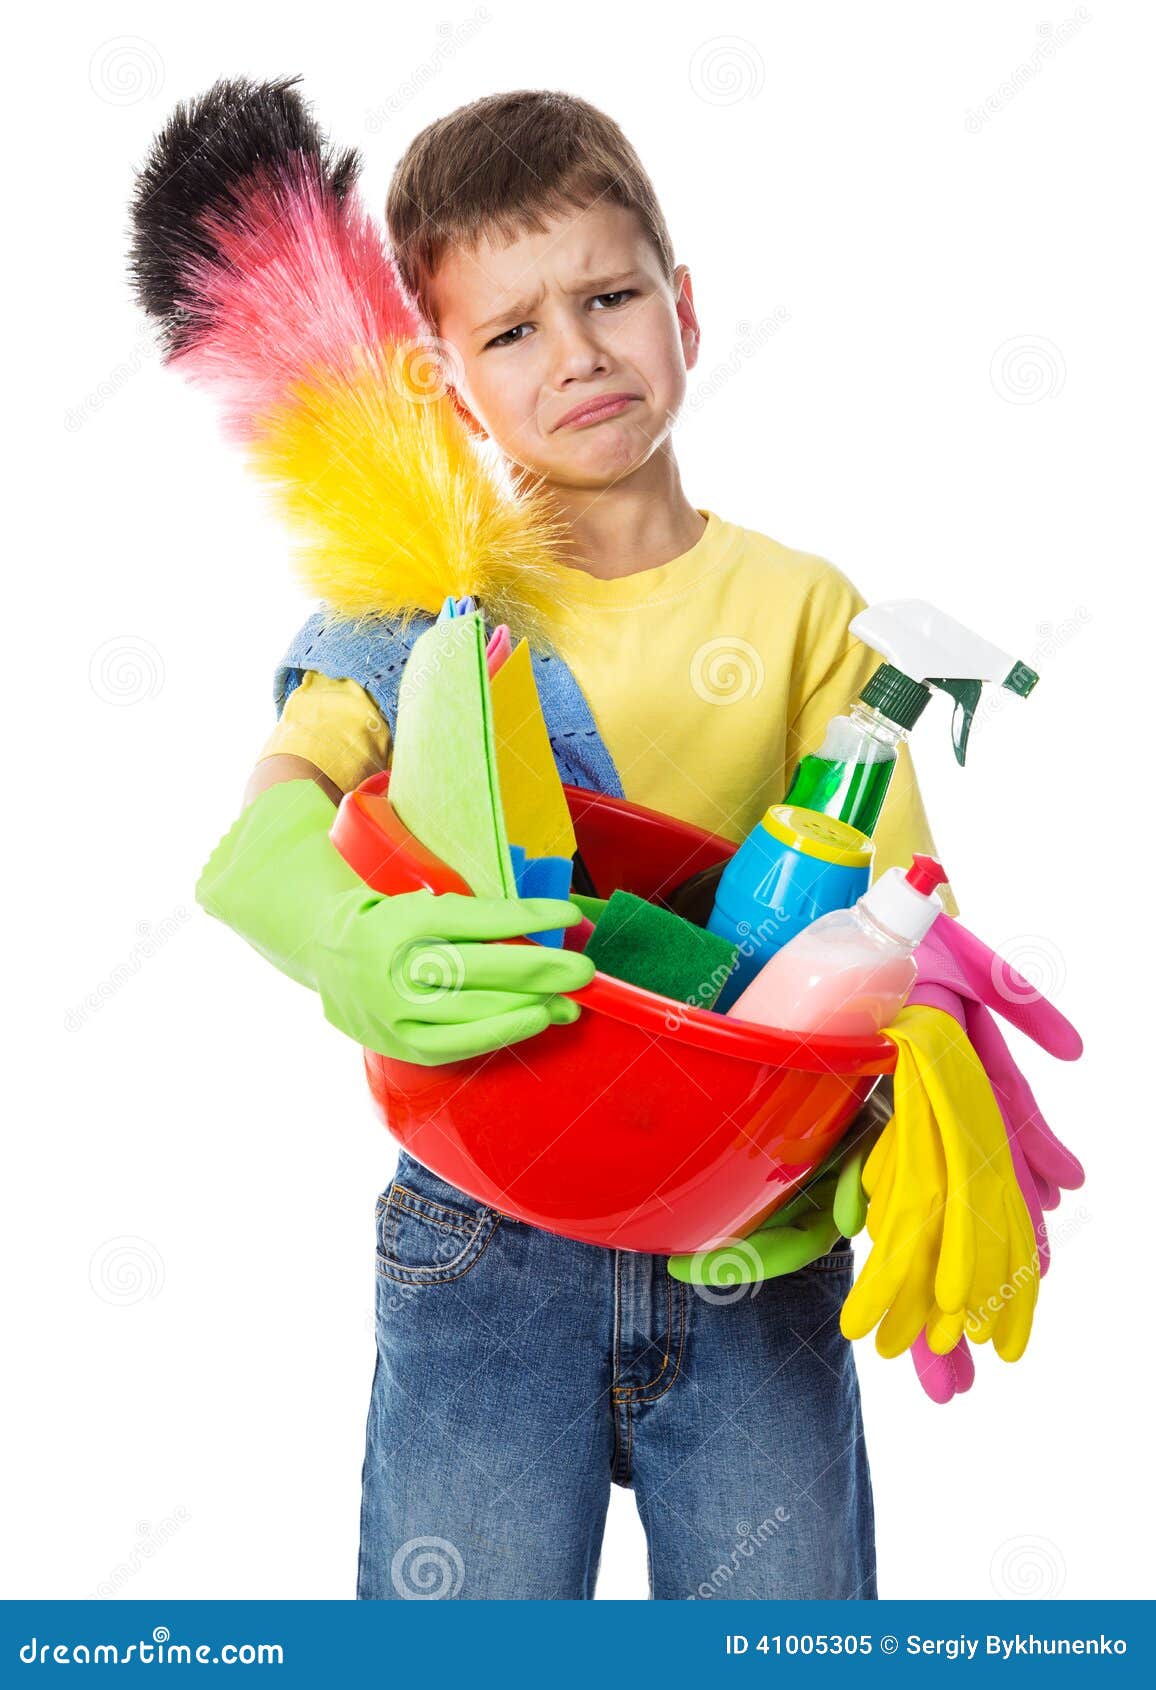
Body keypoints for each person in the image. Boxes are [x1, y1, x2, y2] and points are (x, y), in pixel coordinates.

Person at [200, 89, 957, 1601]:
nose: (579, 354)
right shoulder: (426, 605)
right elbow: (267, 823)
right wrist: (338, 933)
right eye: (512, 332)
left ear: (681, 307)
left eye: (610, 298)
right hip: (486, 1230)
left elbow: (896, 925)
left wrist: (918, 1104)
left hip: (753, 1223)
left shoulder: (807, 607)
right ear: (446, 384)